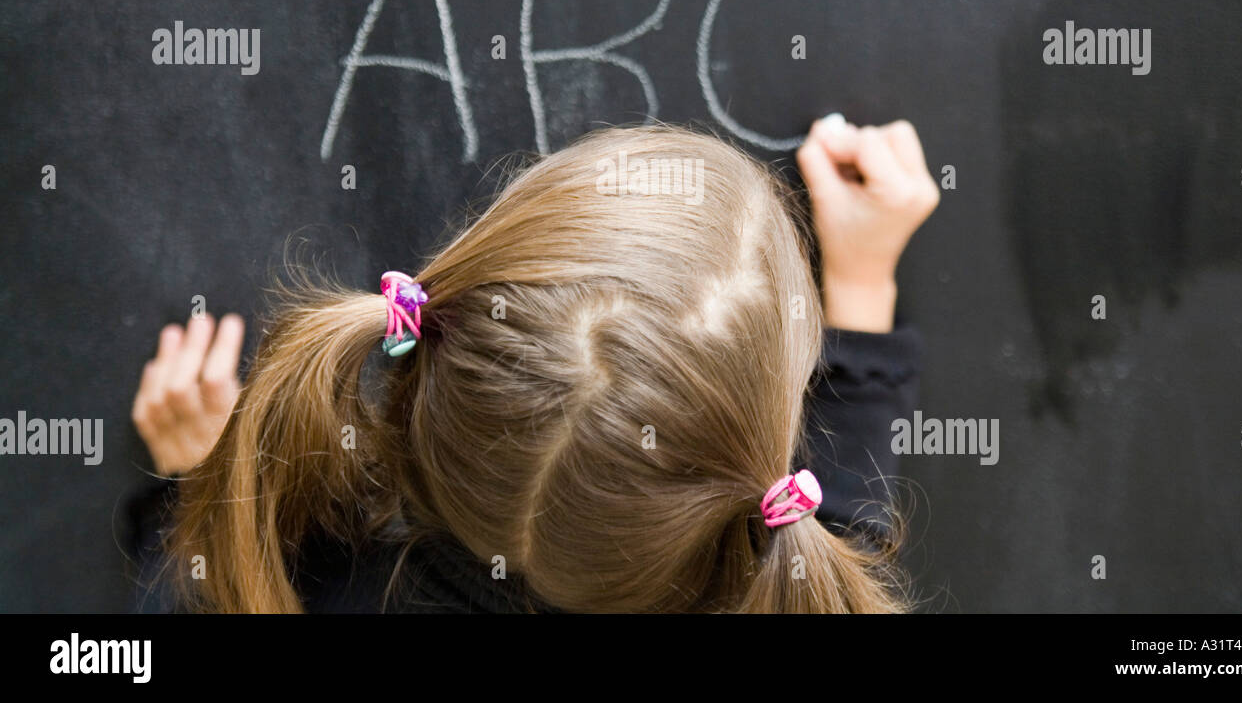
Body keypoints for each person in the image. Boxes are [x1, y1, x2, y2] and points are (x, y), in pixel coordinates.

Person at [122, 116, 940, 612]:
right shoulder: (785, 585)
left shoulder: (312, 583)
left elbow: (194, 595)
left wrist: (198, 490)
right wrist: (860, 289)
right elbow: (839, 537)